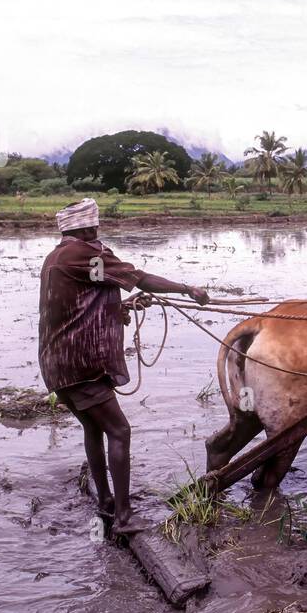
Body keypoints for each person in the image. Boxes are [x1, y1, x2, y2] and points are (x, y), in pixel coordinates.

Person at [38, 198, 209, 536]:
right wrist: (186, 289)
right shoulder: (83, 254)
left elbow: (81, 305)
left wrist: (124, 304)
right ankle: (124, 516)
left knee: (94, 429)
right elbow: (137, 275)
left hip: (58, 364)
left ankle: (105, 500)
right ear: (87, 229)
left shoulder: (57, 257)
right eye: (95, 228)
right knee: (119, 431)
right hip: (81, 365)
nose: (98, 233)